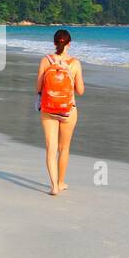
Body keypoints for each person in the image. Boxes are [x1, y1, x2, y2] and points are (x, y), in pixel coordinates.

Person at [36, 29, 83, 196]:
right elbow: (80, 90)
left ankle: (54, 186)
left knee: (51, 147)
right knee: (64, 148)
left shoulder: (46, 60)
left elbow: (38, 87)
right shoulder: (75, 63)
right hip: (68, 110)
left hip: (48, 109)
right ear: (69, 44)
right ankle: (61, 182)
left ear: (55, 43)